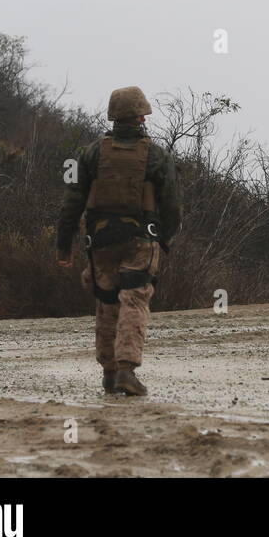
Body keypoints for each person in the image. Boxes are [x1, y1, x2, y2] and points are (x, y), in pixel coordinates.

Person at [57, 86, 181, 396]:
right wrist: (164, 239)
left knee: (107, 302)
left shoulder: (91, 153)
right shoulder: (155, 156)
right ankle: (127, 368)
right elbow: (172, 206)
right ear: (141, 117)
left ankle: (109, 372)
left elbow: (71, 203)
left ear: (113, 117)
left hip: (100, 240)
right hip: (141, 240)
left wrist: (63, 245)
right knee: (135, 298)